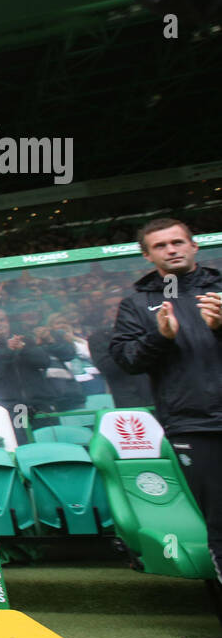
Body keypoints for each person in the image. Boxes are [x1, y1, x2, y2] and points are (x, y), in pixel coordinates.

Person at [109, 218, 222, 582]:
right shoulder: (138, 305)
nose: (171, 249)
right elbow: (126, 361)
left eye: (177, 242)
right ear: (147, 255)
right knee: (219, 520)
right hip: (194, 425)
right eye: (160, 246)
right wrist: (160, 338)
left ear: (194, 246)